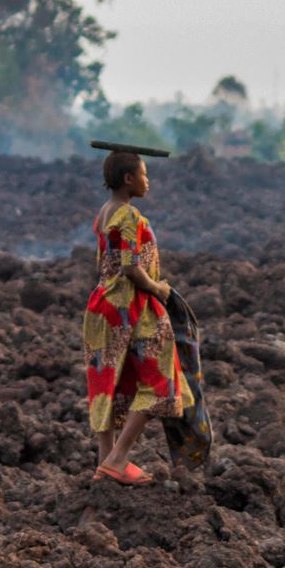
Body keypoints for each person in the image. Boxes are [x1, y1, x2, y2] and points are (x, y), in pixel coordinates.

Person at [81, 151, 192, 485]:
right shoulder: (128, 215)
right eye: (144, 174)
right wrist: (158, 288)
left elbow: (106, 264)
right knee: (161, 380)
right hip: (131, 308)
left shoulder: (104, 213)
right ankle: (117, 459)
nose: (148, 181)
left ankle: (105, 464)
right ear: (129, 179)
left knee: (107, 384)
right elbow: (131, 268)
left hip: (101, 306)